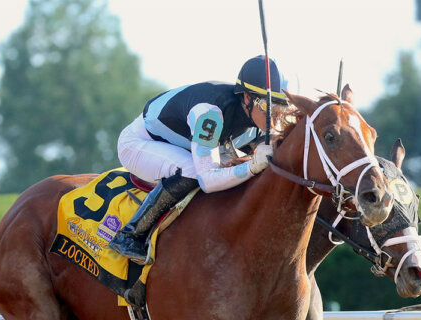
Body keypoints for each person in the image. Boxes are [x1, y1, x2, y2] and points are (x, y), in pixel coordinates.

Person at [108, 55, 289, 265]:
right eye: (269, 107)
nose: (275, 118)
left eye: (281, 108)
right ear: (247, 98)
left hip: (181, 146)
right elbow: (208, 180)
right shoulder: (210, 113)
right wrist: (252, 166)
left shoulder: (258, 121)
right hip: (139, 143)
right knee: (191, 170)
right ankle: (131, 235)